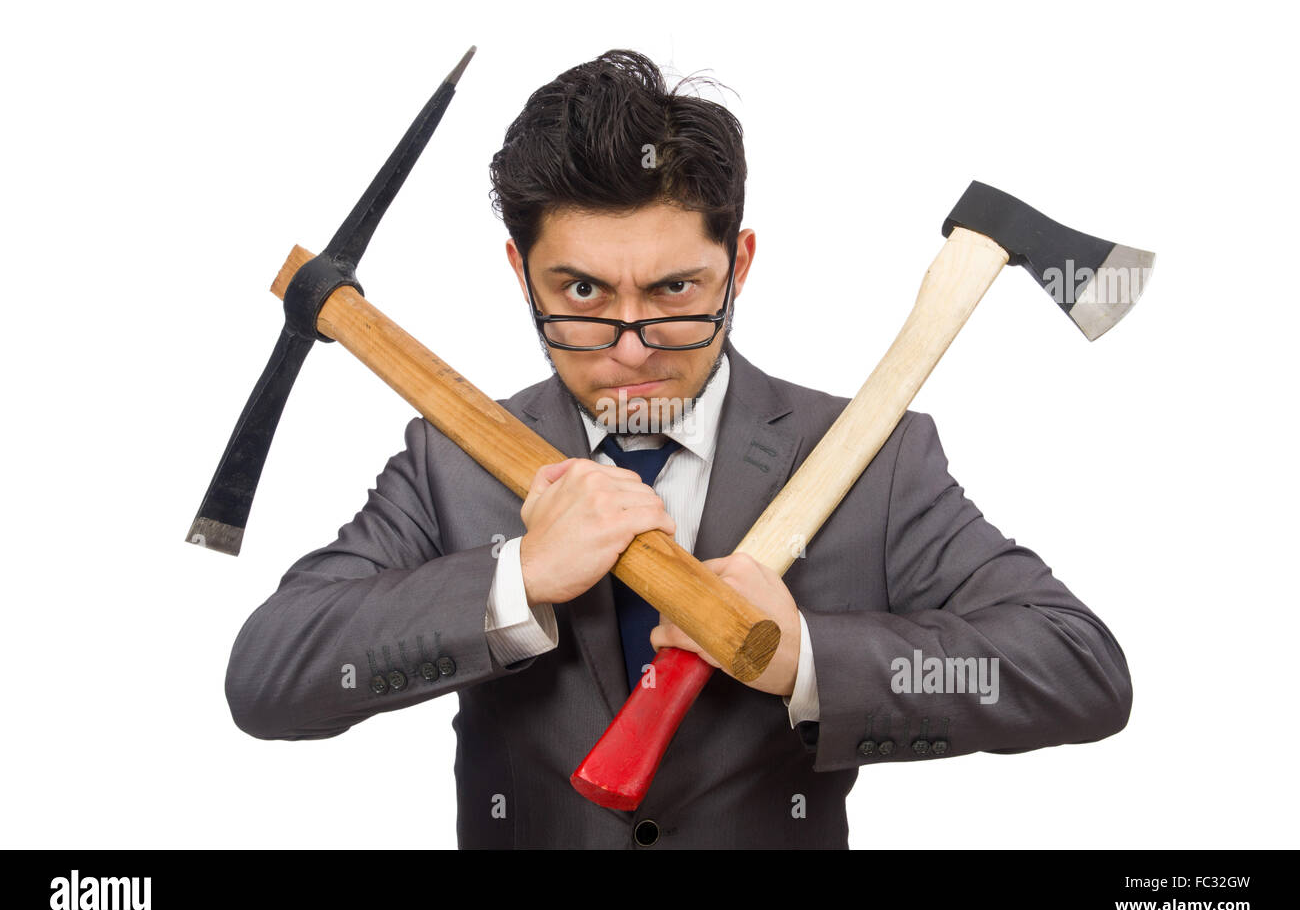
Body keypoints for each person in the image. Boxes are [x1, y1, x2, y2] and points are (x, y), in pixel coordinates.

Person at [224, 50, 1132, 849]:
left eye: (674, 289)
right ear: (518, 272)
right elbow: (268, 677)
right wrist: (517, 578)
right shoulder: (447, 462)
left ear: (737, 264)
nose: (630, 343)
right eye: (580, 289)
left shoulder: (873, 465)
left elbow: (1079, 669)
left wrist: (802, 657)